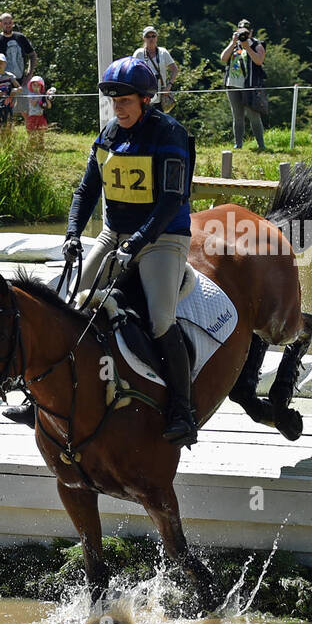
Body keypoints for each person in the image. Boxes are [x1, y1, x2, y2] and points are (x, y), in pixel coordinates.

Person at [63, 57, 197, 445]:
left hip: (162, 238)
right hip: (113, 234)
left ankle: (182, 411)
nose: (118, 108)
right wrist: (72, 233)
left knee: (159, 320)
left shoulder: (168, 134)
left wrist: (136, 243)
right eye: (113, 101)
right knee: (72, 307)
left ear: (145, 99)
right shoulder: (108, 135)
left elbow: (171, 199)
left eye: (125, 101)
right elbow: (87, 191)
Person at [221, 19, 267, 149]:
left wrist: (247, 48)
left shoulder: (257, 45)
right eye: (241, 31)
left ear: (251, 32)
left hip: (250, 86)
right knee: (237, 116)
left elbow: (259, 61)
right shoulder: (234, 45)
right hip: (232, 85)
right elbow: (223, 58)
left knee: (254, 116)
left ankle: (261, 145)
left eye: (246, 32)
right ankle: (238, 144)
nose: (243, 34)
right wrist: (233, 42)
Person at [134, 26, 178, 111]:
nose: (151, 39)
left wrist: (169, 86)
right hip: (144, 96)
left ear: (157, 38)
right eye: (148, 36)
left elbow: (175, 70)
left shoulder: (163, 52)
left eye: (153, 36)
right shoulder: (138, 53)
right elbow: (132, 72)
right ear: (144, 38)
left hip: (160, 96)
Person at [24, 75, 54, 146]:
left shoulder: (42, 96)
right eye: (34, 85)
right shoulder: (30, 95)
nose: (36, 87)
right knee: (32, 134)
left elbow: (49, 106)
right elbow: (33, 104)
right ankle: (31, 147)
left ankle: (41, 147)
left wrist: (47, 98)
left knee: (41, 134)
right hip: (32, 117)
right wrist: (38, 95)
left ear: (41, 87)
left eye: (38, 85)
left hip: (40, 116)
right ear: (31, 86)